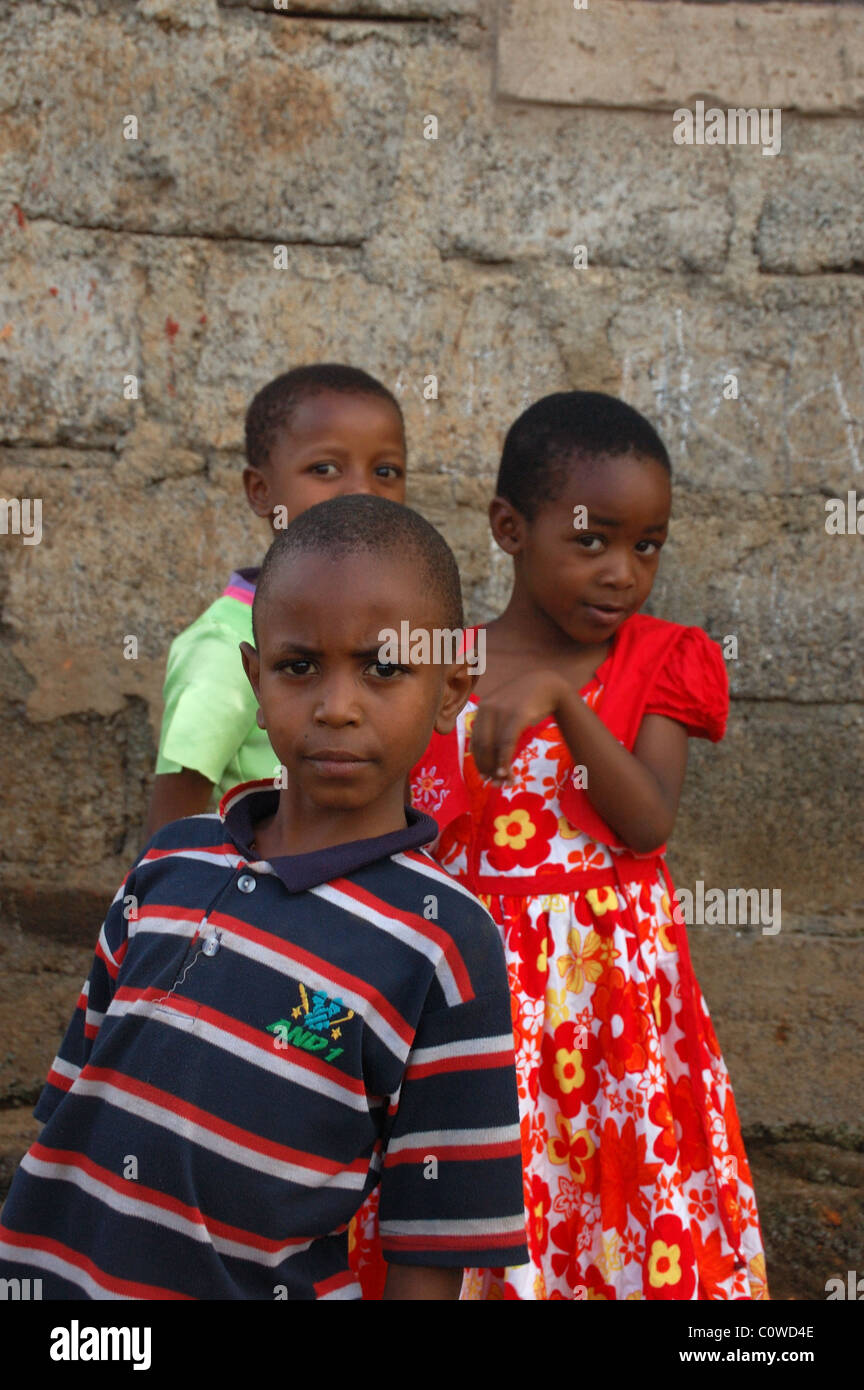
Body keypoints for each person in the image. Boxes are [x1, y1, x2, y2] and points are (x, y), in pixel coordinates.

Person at [0, 497, 528, 1300]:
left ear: (452, 687)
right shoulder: (169, 865)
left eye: (383, 667)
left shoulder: (445, 943)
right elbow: (72, 1111)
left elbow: (435, 1234)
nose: (337, 705)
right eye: (298, 666)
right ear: (255, 677)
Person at [410, 392, 769, 1300]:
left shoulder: (658, 660)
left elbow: (646, 822)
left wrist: (565, 707)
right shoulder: (438, 665)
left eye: (646, 546)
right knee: (476, 1189)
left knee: (612, 1192)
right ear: (509, 528)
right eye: (593, 540)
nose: (622, 573)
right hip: (470, 992)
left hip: (608, 1009)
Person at [145, 363, 408, 837]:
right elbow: (171, 827)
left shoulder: (397, 622)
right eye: (324, 469)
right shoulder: (226, 645)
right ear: (262, 491)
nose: (363, 492)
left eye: (385, 471)